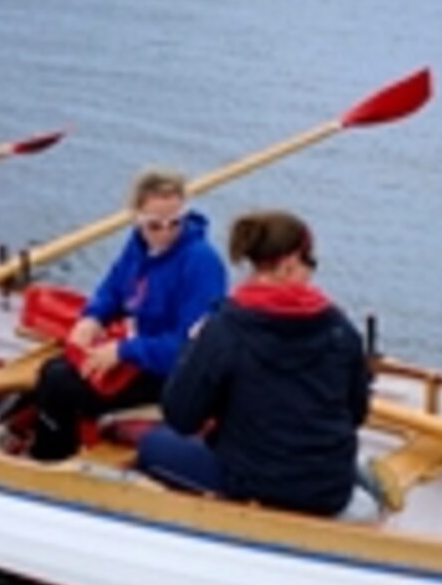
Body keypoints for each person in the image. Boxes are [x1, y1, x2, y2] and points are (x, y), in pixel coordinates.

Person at [141, 209, 368, 518]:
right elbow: (357, 413)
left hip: (252, 483)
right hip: (329, 489)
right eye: (311, 262)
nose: (312, 272)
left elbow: (181, 416)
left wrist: (191, 348)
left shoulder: (224, 328)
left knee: (153, 444)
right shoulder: (342, 330)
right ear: (289, 265)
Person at [24, 170, 230, 462]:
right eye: (154, 226)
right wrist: (93, 318)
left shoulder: (201, 264)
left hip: (174, 375)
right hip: (145, 353)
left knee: (58, 384)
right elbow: (114, 289)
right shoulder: (139, 247)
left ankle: (50, 459)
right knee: (54, 369)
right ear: (137, 218)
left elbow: (191, 348)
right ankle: (58, 444)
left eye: (175, 223)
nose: (166, 233)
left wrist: (124, 351)